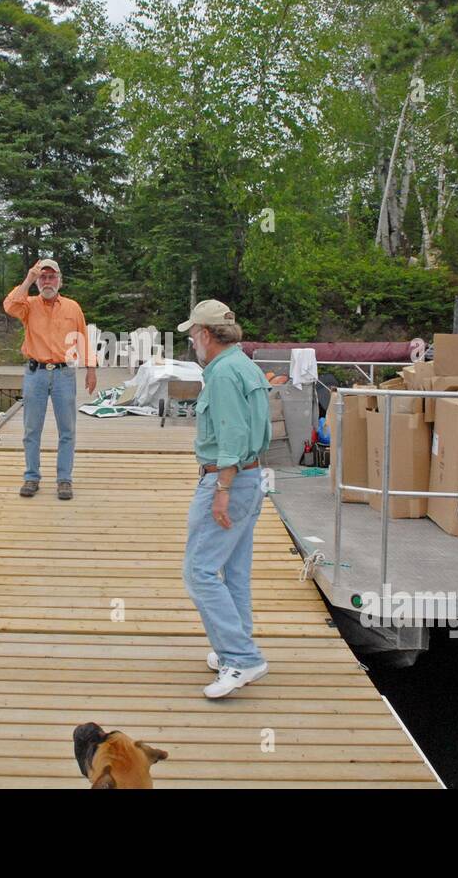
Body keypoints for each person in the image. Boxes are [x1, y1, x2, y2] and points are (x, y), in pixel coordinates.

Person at [178, 299, 272, 699]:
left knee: (199, 572)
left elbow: (233, 435)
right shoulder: (243, 364)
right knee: (233, 571)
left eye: (193, 335)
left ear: (205, 334)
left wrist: (222, 490)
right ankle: (234, 647)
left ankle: (242, 657)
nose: (192, 343)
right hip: (252, 479)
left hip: (228, 481)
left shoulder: (221, 375)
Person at [3, 259, 97, 500]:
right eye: (42, 277)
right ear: (37, 281)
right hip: (36, 374)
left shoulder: (72, 307)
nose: (47, 281)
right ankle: (31, 477)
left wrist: (91, 369)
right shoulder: (28, 305)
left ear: (60, 280)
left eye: (51, 277)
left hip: (65, 374)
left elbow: (83, 337)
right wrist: (28, 278)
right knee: (31, 429)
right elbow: (9, 305)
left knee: (67, 430)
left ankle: (64, 479)